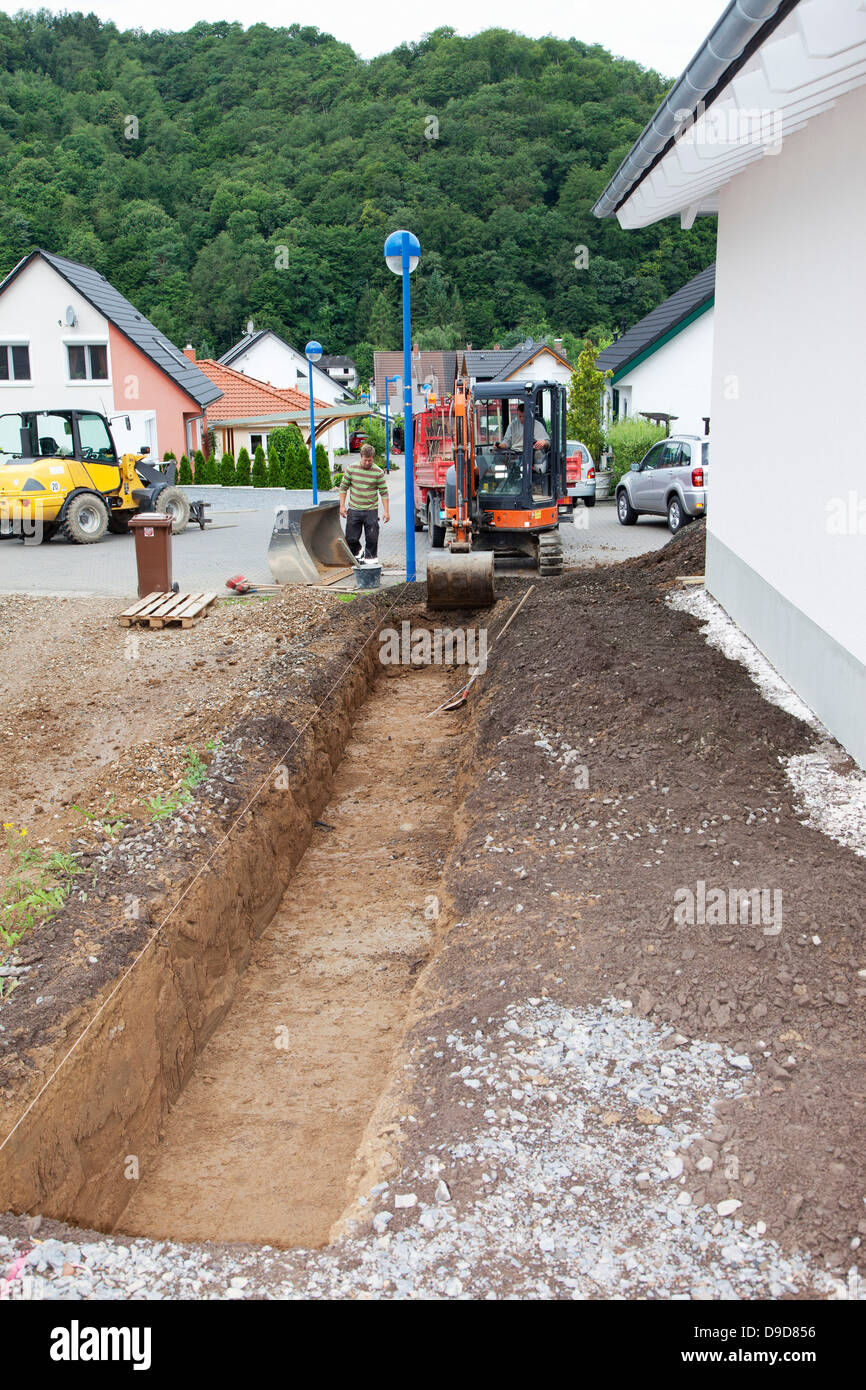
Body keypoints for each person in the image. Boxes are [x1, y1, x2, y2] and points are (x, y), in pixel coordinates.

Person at [339, 442, 389, 563]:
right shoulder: (351, 469)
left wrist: (386, 511)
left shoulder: (378, 472)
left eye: (370, 461)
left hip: (370, 510)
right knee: (351, 538)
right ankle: (359, 552)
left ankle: (370, 562)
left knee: (372, 538)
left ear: (373, 458)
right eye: (365, 460)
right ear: (361, 456)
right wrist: (342, 506)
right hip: (354, 509)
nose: (367, 463)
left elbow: (384, 493)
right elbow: (343, 487)